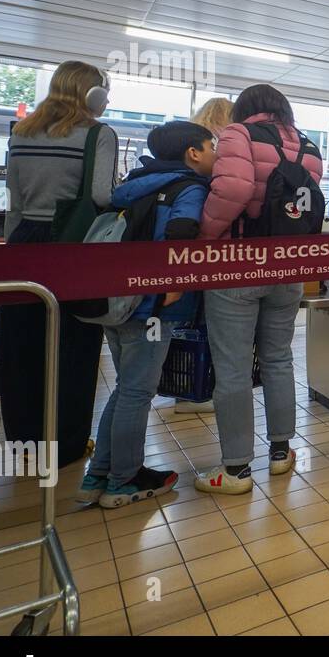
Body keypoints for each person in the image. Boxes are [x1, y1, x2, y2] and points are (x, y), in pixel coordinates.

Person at [77, 122, 215, 507]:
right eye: (211, 146)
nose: (214, 153)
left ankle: (98, 475)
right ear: (193, 153)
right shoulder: (189, 187)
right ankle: (123, 480)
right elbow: (182, 229)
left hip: (115, 300)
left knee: (126, 388)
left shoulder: (133, 185)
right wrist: (174, 283)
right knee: (137, 392)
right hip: (152, 308)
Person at [194, 84, 324, 491]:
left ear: (244, 109)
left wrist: (204, 238)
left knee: (232, 367)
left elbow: (233, 190)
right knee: (278, 359)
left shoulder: (238, 134)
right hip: (289, 267)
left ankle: (235, 470)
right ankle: (282, 452)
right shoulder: (309, 146)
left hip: (238, 266)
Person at [0, 60, 118, 468]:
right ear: (92, 94)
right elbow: (102, 195)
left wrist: (13, 247)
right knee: (74, 347)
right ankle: (65, 446)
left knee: (20, 347)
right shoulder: (99, 134)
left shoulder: (22, 133)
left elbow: (12, 199)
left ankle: (23, 444)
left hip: (24, 241)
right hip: (73, 246)